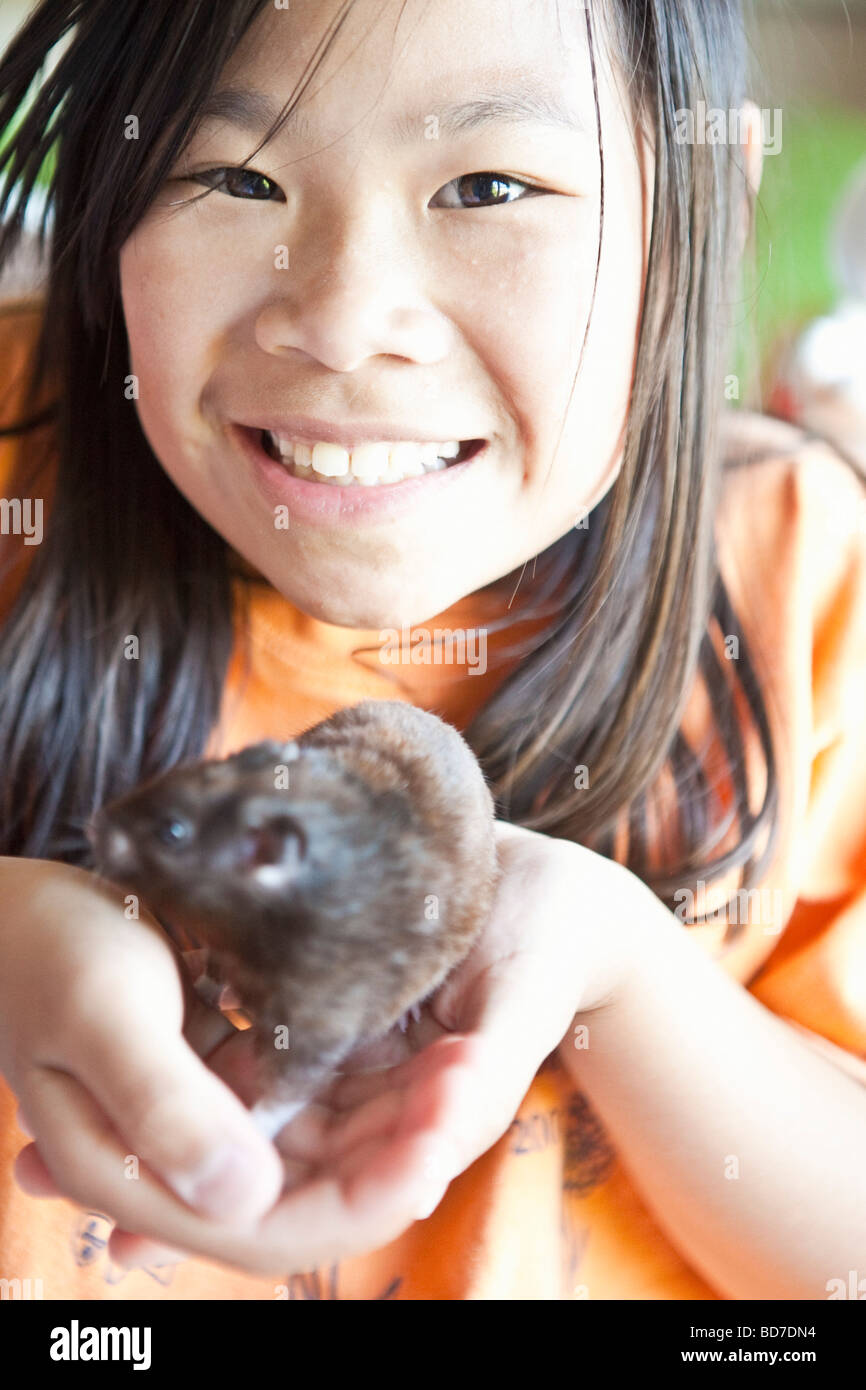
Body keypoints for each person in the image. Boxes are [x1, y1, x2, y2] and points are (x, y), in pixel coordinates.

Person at [1, 0, 865, 1301]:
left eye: (486, 184)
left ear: (703, 207)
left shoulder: (809, 578)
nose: (343, 323)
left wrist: (620, 976)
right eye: (235, 176)